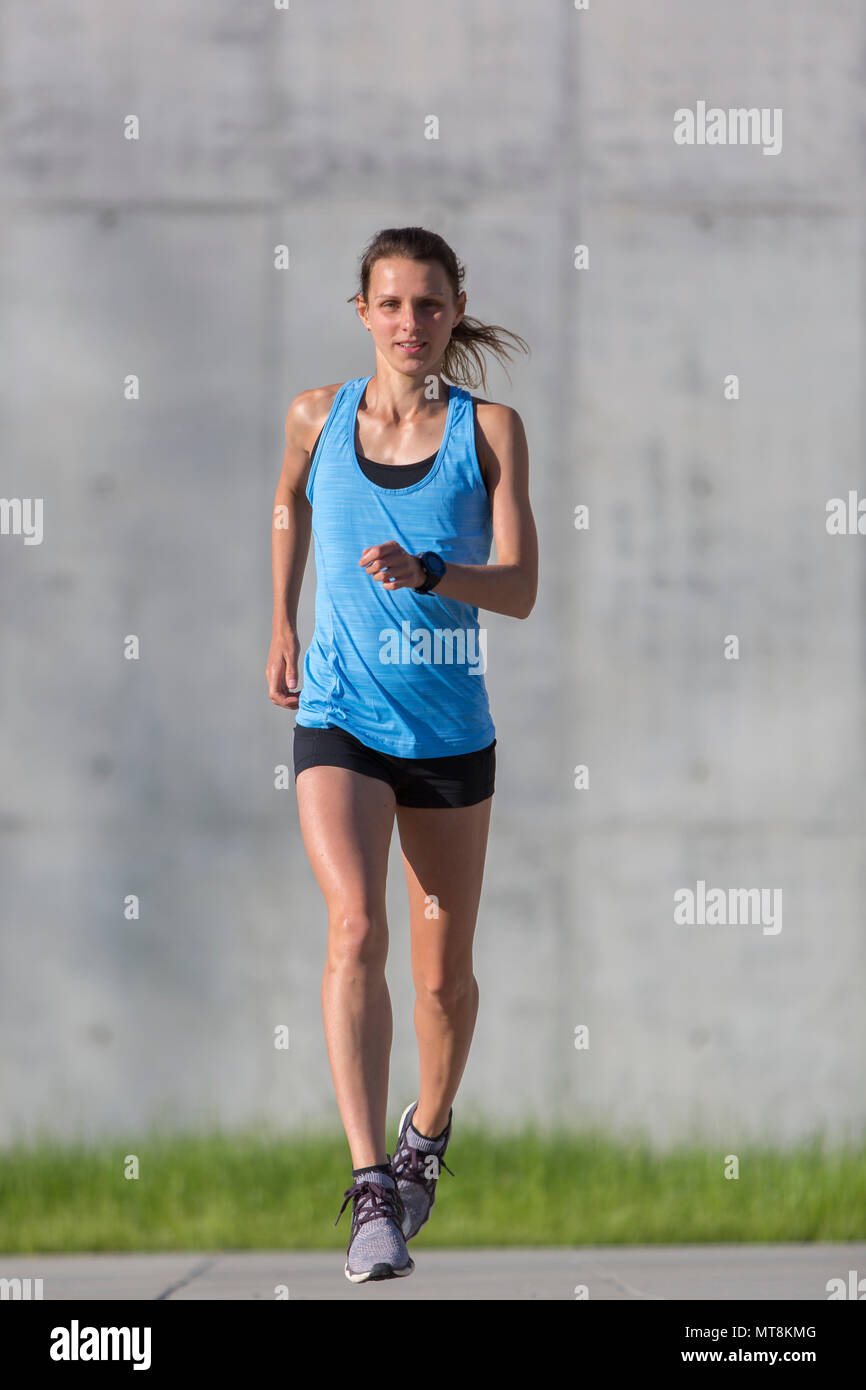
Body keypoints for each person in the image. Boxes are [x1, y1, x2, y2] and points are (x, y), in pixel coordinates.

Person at [266, 226, 537, 1282]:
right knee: (353, 924)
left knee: (441, 982)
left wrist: (431, 569)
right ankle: (370, 1182)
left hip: (448, 736)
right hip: (337, 717)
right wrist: (282, 622)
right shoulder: (313, 415)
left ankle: (426, 1131)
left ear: (455, 307)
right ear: (362, 312)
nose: (410, 324)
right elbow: (286, 499)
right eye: (390, 304)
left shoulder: (491, 430)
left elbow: (517, 588)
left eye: (429, 305)